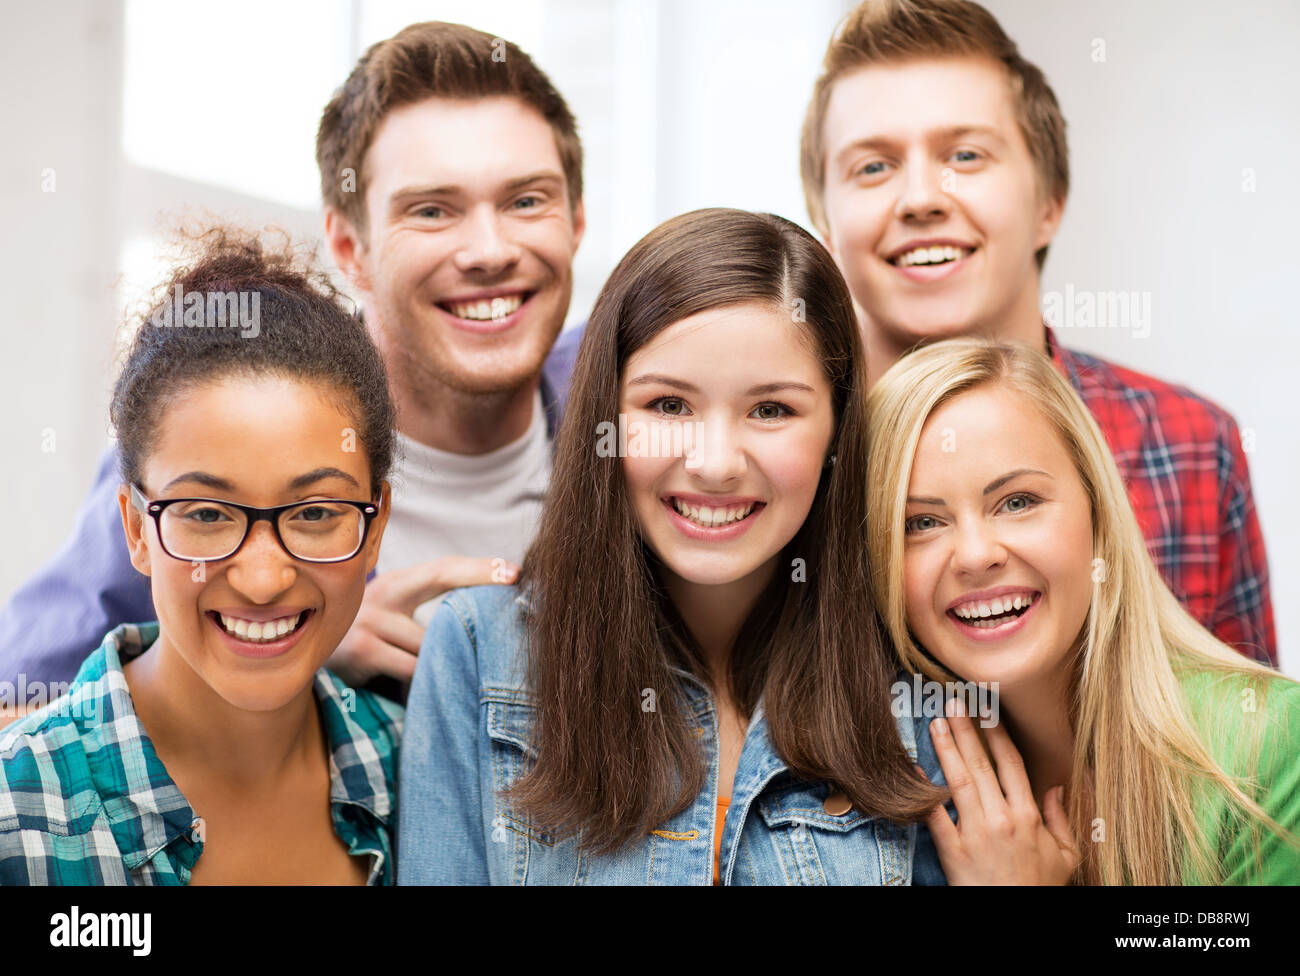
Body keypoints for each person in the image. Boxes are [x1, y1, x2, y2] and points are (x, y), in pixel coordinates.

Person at [0, 21, 587, 703]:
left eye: (526, 201)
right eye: (431, 211)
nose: (490, 250)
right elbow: (16, 716)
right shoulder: (209, 436)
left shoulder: (637, 415)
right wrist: (286, 644)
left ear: (575, 220)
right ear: (348, 246)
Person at [398, 208, 949, 886]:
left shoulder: (914, 678)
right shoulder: (477, 651)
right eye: (668, 406)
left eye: (771, 409)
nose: (715, 463)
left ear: (837, 432)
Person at [800, 0, 1276, 664]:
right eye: (872, 167)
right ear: (826, 225)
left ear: (1048, 203)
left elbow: (1258, 754)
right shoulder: (784, 462)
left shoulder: (1194, 449)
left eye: (964, 155)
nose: (919, 199)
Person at [0, 229, 403, 885]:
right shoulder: (16, 815)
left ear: (376, 521)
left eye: (315, 513)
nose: (264, 577)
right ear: (135, 528)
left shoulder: (421, 775)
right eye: (209, 515)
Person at [865, 337, 1300, 885]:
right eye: (920, 523)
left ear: (1098, 510)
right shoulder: (884, 794)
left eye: (1017, 502)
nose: (976, 555)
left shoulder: (1272, 747)